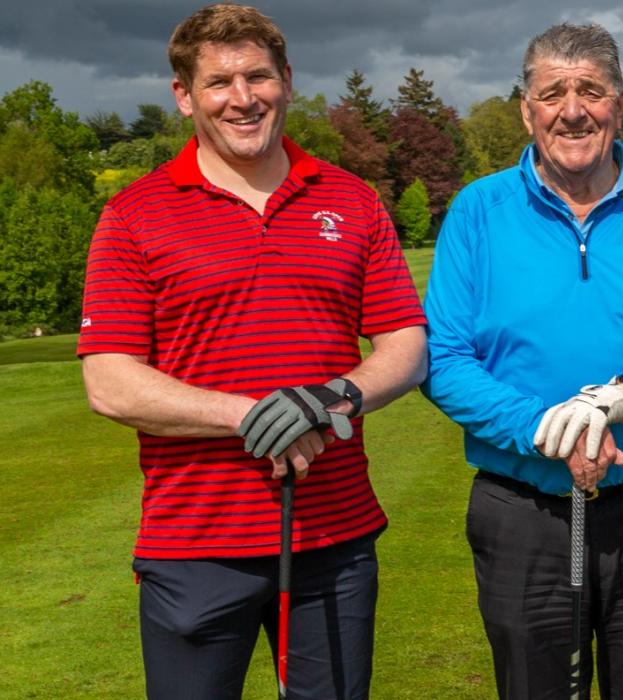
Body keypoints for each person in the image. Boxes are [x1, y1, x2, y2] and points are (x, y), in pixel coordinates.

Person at [77, 5, 427, 699]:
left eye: (258, 76)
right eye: (219, 82)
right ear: (185, 96)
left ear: (287, 81)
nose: (243, 98)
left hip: (334, 536)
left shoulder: (351, 200)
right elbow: (111, 382)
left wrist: (330, 399)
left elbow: (407, 346)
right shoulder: (133, 214)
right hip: (195, 543)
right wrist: (252, 417)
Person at [422, 22, 623, 700]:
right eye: (552, 93)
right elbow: (444, 358)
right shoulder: (478, 211)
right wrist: (546, 426)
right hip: (523, 512)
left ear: (621, 104)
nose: (572, 110)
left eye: (591, 91)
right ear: (527, 108)